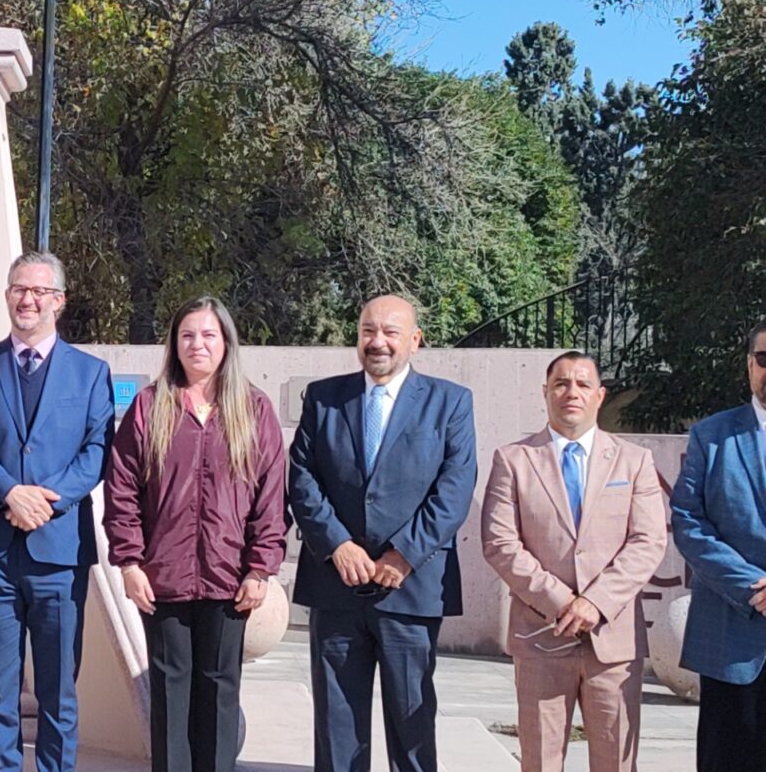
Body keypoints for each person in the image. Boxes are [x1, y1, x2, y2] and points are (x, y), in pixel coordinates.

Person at [287, 294, 477, 772]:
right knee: (337, 727)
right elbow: (302, 478)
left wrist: (404, 554)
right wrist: (337, 544)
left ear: (415, 340)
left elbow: (454, 489)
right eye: (368, 330)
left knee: (412, 728)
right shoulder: (323, 398)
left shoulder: (450, 402)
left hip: (410, 590)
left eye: (391, 332)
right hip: (336, 586)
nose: (378, 342)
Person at [103, 296, 289, 772]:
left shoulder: (254, 409)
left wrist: (260, 568)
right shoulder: (150, 407)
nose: (197, 344)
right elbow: (122, 489)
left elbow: (271, 497)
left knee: (220, 689)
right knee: (170, 692)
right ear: (174, 343)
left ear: (226, 342)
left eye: (208, 335)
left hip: (230, 580)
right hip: (162, 579)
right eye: (187, 335)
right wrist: (129, 562)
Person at [0, 251, 115, 772]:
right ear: (7, 296)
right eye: (19, 289)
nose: (28, 300)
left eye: (39, 291)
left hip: (59, 554)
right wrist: (8, 493)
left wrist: (43, 500)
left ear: (59, 301)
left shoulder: (91, 373)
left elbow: (98, 451)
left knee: (57, 689)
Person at [480, 351, 666, 772]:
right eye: (561, 383)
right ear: (545, 392)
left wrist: (595, 602)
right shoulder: (513, 460)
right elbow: (500, 542)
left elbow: (648, 541)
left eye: (583, 384)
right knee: (540, 761)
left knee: (616, 762)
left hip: (612, 642)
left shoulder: (634, 461)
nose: (572, 392)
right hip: (541, 635)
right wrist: (562, 602)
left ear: (600, 396)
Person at [672, 319, 766, 772]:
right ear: (749, 365)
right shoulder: (711, 436)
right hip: (731, 638)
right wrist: (753, 585)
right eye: (764, 359)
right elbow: (688, 522)